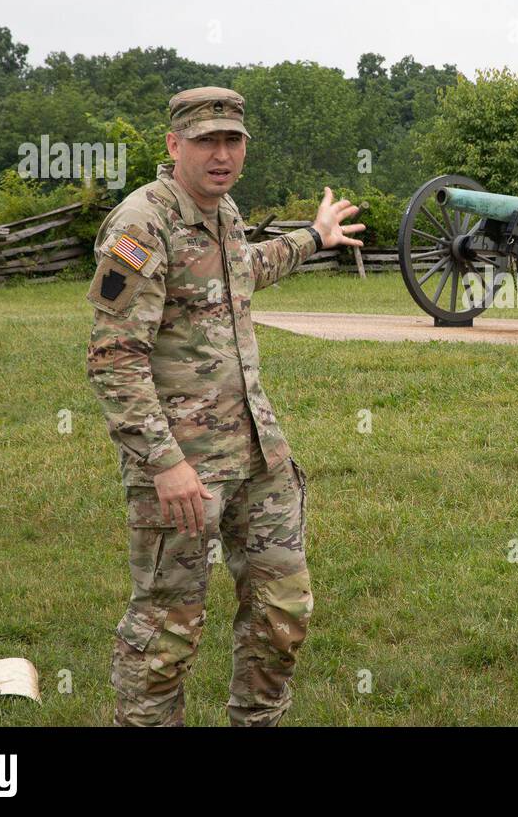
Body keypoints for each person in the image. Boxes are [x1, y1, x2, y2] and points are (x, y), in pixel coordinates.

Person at [85, 86, 364, 726]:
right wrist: (165, 464)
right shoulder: (140, 226)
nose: (221, 153)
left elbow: (242, 268)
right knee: (167, 626)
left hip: (258, 451)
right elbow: (112, 357)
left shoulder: (222, 211)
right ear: (173, 144)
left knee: (282, 607)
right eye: (207, 140)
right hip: (183, 466)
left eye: (232, 140)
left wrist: (314, 238)